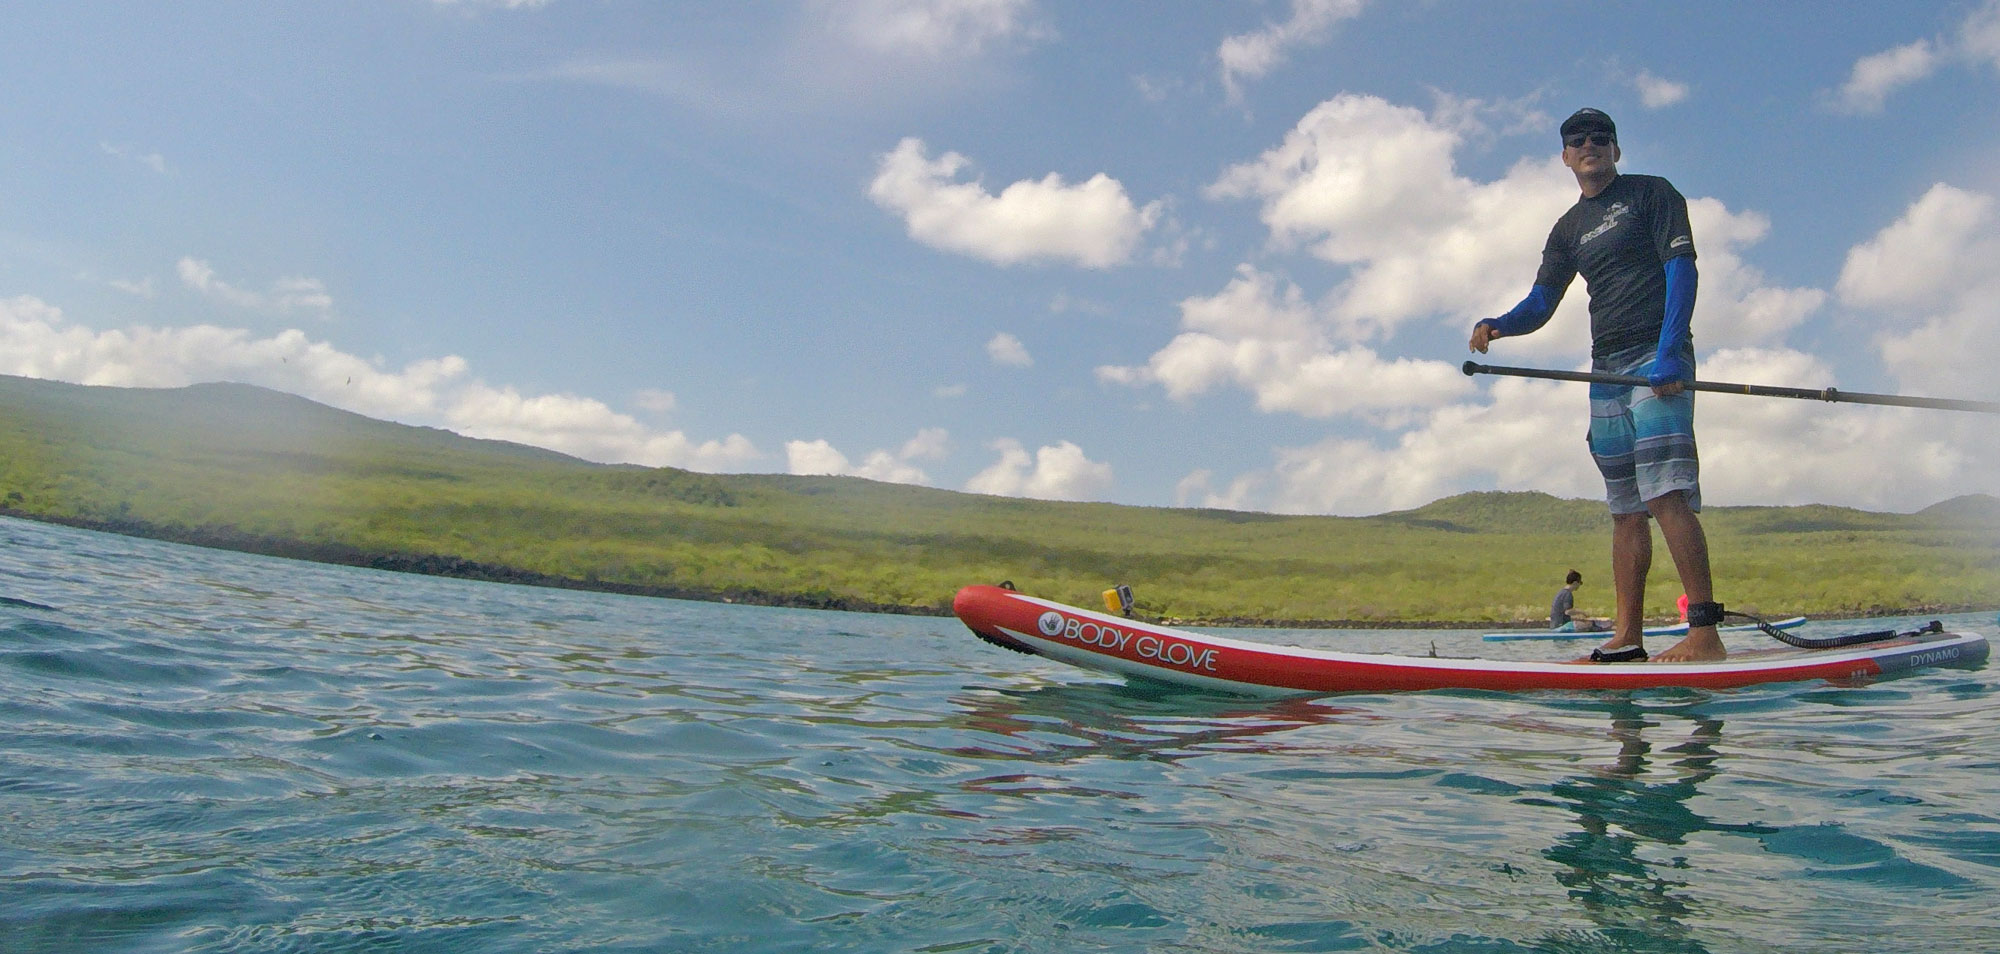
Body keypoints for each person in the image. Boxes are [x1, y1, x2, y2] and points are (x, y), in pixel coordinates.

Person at [1470, 107, 1725, 662]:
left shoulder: (1653, 194)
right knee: (1625, 507)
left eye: (1602, 138)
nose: (1591, 146)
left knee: (1665, 492)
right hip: (1604, 369)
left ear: (1616, 149)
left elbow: (1683, 269)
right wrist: (1500, 325)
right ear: (1565, 156)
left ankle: (1704, 632)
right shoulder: (1568, 229)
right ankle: (1627, 638)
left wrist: (1670, 352)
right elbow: (1543, 300)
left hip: (1658, 357)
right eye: (1578, 140)